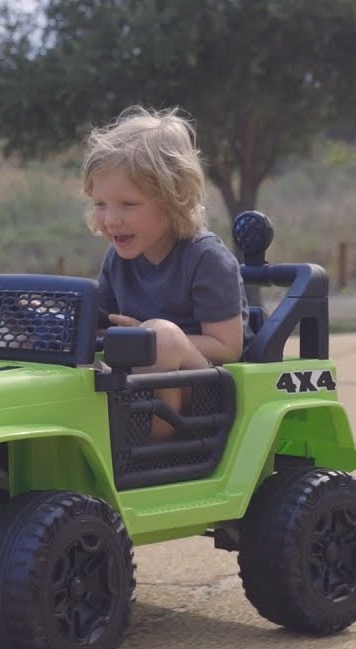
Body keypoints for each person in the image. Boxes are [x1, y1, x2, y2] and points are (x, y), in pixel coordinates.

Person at [83, 106, 250, 440]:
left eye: (128, 204)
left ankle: (146, 452)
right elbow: (100, 324)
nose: (111, 219)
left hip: (205, 395)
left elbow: (228, 346)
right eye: (100, 204)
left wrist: (148, 339)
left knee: (160, 336)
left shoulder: (207, 258)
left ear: (175, 198)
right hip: (135, 385)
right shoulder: (118, 259)